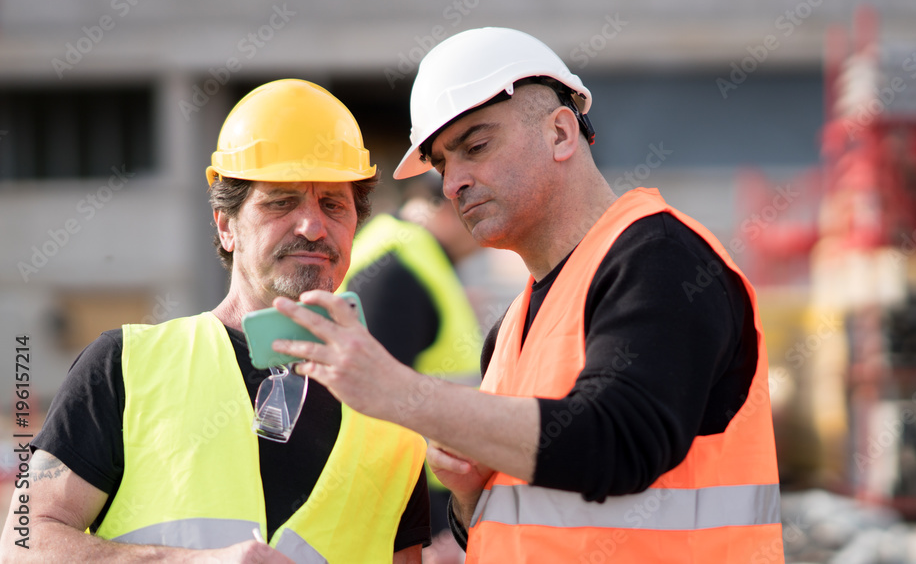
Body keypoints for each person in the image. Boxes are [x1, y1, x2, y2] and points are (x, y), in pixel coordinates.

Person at [265, 28, 785, 563]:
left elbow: (619, 442)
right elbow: (520, 522)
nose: (452, 184)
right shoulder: (514, 326)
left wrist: (401, 393)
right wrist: (470, 494)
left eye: (477, 146)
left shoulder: (663, 259)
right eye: (443, 164)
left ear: (561, 133)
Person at [0, 79, 430, 563]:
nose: (313, 226)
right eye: (281, 202)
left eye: (333, 204)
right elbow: (24, 546)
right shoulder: (126, 366)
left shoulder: (393, 412)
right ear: (226, 226)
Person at [340, 172, 482, 563]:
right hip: (416, 505)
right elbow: (375, 411)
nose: (480, 219)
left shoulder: (417, 256)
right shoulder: (398, 266)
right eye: (468, 202)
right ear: (442, 209)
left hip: (433, 496)